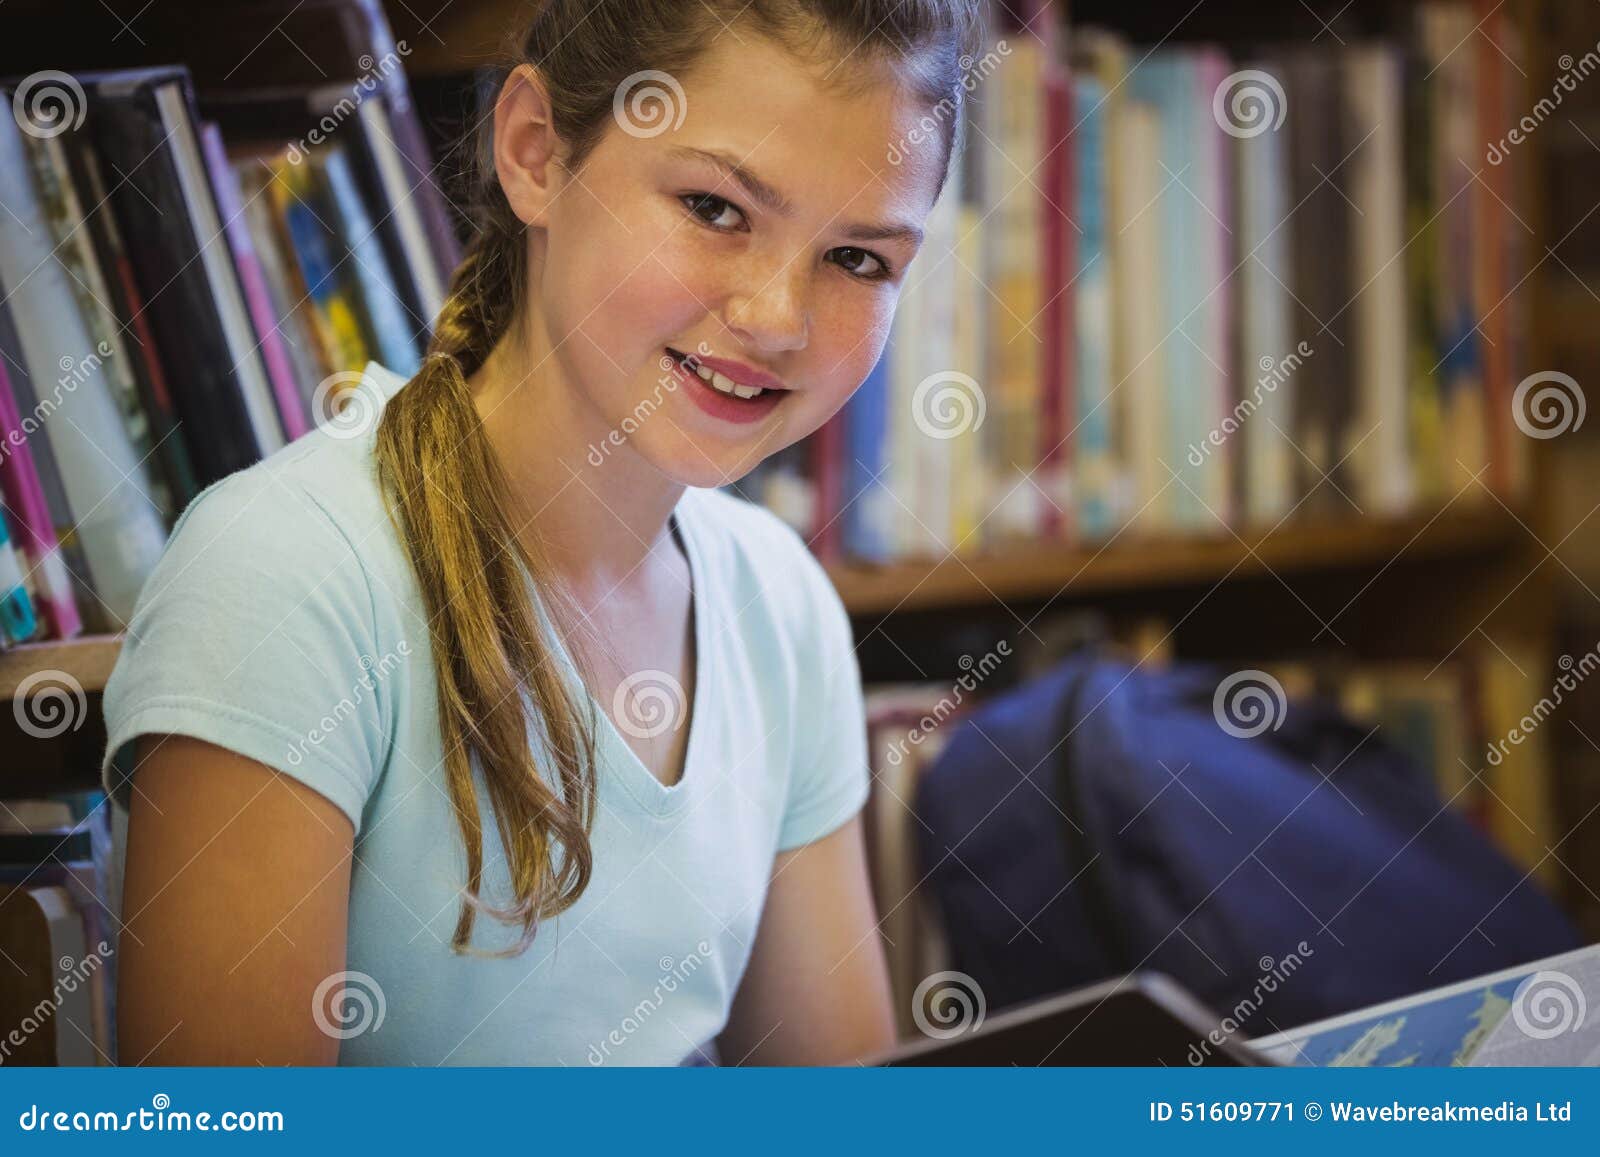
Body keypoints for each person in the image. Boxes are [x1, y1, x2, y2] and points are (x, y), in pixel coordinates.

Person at [103, 0, 985, 1065]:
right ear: (535, 153)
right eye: (713, 206)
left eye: (857, 260)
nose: (775, 317)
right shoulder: (287, 576)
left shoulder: (779, 604)